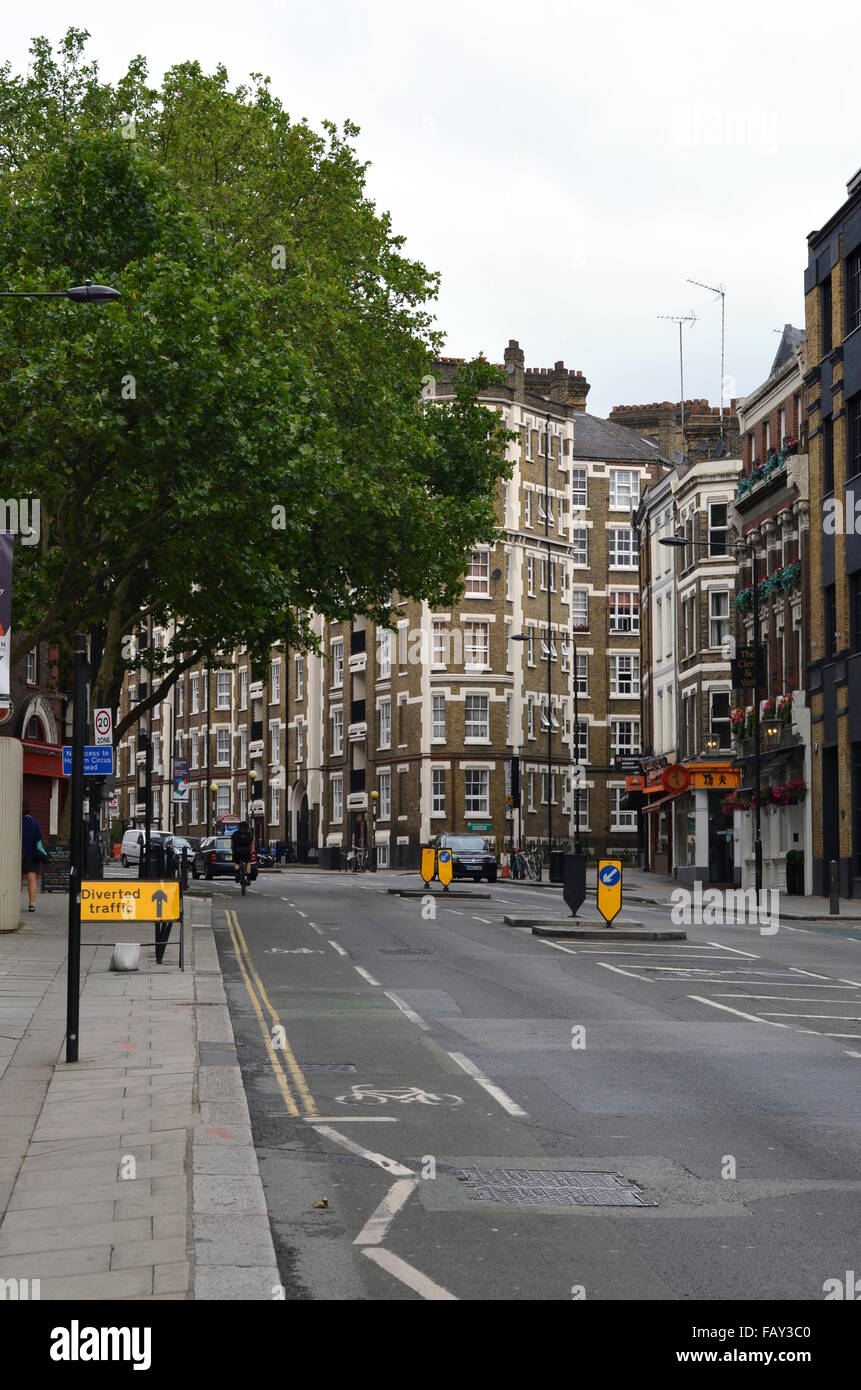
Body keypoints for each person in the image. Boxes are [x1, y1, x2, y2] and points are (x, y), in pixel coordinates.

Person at [21, 801, 44, 911]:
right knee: (32, 879)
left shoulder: (18, 823)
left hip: (19, 853)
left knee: (18, 879)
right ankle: (31, 904)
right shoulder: (35, 823)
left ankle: (14, 902)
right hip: (32, 855)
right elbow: (39, 839)